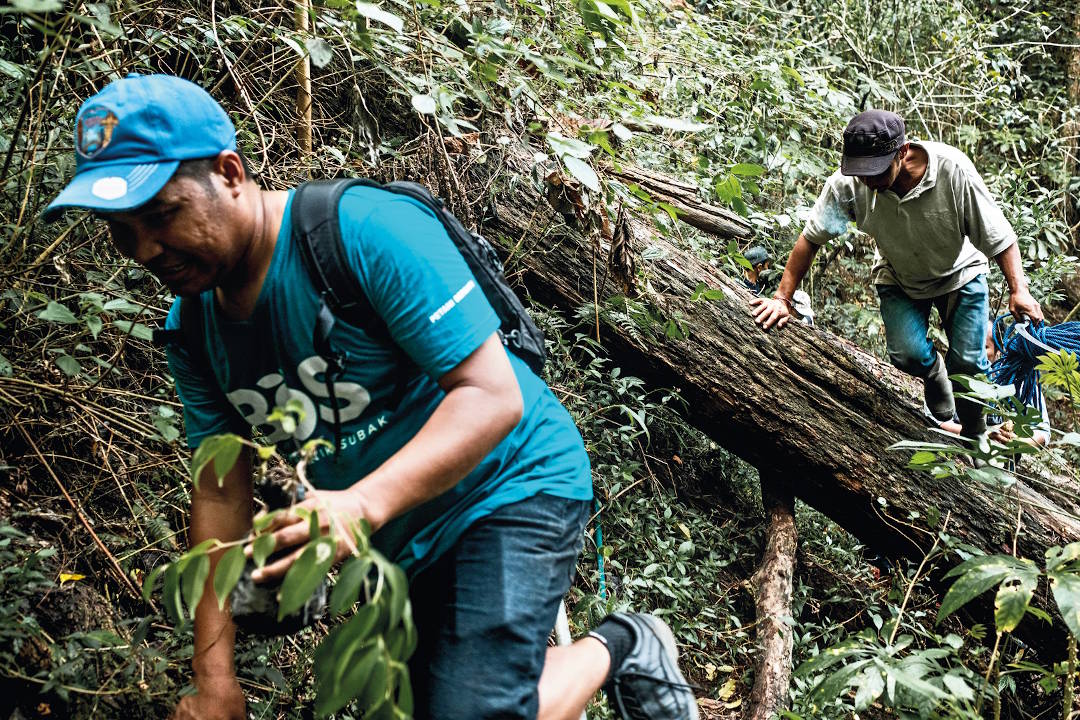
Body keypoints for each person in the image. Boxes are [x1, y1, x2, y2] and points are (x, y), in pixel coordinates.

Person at [45, 74, 697, 720]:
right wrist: (214, 680)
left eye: (162, 215)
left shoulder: (360, 230)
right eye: (120, 231)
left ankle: (624, 643)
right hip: (401, 535)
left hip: (508, 485)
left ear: (230, 172)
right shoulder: (192, 331)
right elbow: (220, 495)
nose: (146, 250)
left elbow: (492, 396)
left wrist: (359, 504)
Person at [751, 110, 1042, 441]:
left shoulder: (952, 170)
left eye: (875, 171)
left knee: (970, 365)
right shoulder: (848, 186)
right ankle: (935, 378)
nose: (868, 181)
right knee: (908, 354)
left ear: (902, 152)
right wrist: (782, 299)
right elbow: (810, 240)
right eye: (860, 172)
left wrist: (1019, 289)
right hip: (899, 275)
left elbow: (999, 236)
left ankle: (975, 437)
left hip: (961, 272)